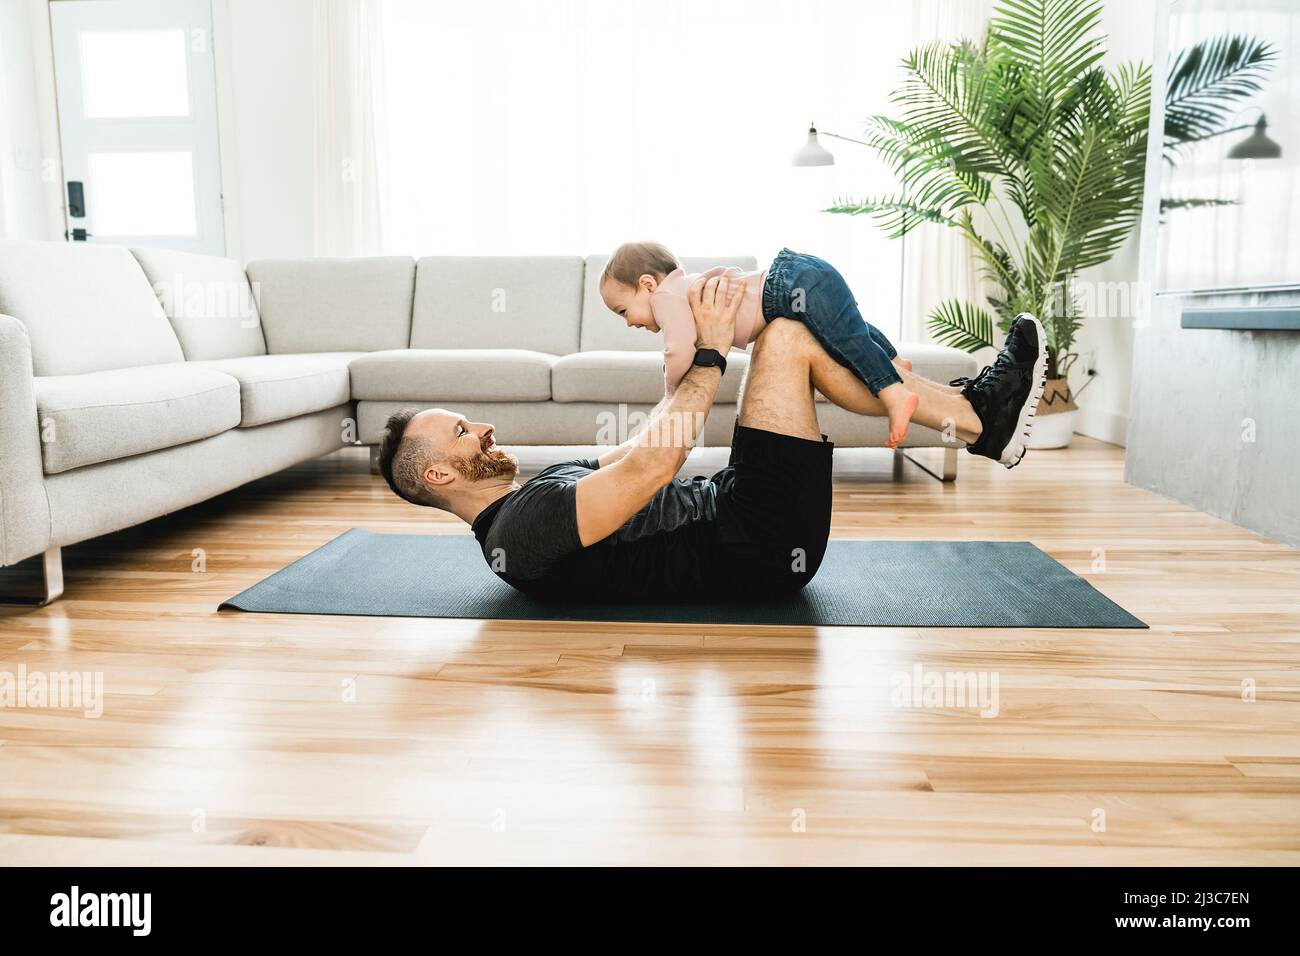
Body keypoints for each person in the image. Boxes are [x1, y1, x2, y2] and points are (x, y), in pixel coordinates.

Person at [377, 275, 1046, 602]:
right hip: (755, 541)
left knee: (789, 335)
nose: (483, 426)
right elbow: (655, 467)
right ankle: (982, 417)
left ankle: (979, 417)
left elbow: (633, 452)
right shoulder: (520, 533)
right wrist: (712, 357)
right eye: (463, 432)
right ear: (440, 476)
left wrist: (692, 346)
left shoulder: (532, 501)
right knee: (785, 337)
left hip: (743, 512)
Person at [599, 241, 923, 448]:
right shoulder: (682, 288)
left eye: (624, 311)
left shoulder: (665, 298)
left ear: (647, 284)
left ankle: (895, 393)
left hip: (788, 285)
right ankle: (891, 360)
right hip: (794, 276)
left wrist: (672, 389)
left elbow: (679, 349)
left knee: (844, 337)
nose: (629, 322)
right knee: (844, 327)